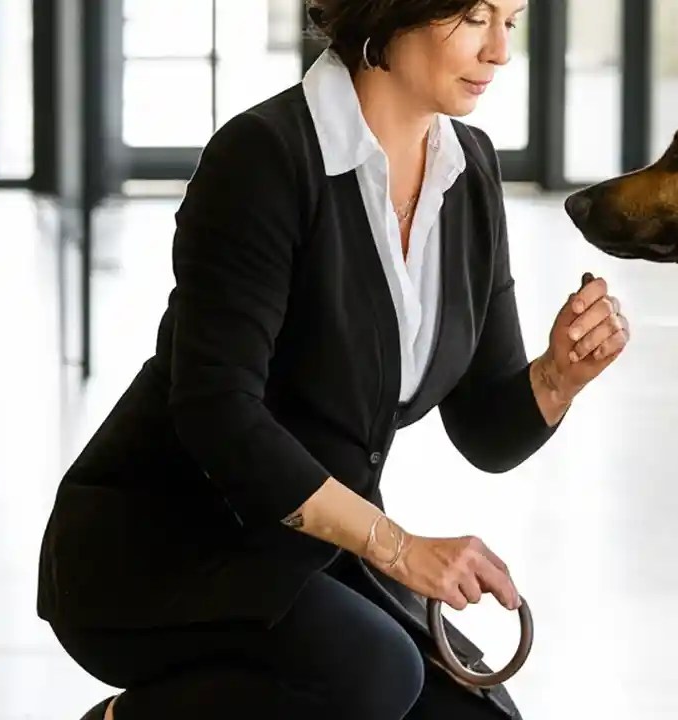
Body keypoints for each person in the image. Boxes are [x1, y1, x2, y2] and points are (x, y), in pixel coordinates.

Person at [35, 1, 630, 718]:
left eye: (514, 20)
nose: (501, 51)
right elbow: (217, 413)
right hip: (163, 547)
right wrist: (399, 548)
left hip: (314, 551)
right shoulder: (263, 157)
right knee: (372, 675)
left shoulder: (468, 172)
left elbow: (485, 427)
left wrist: (558, 377)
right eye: (476, 18)